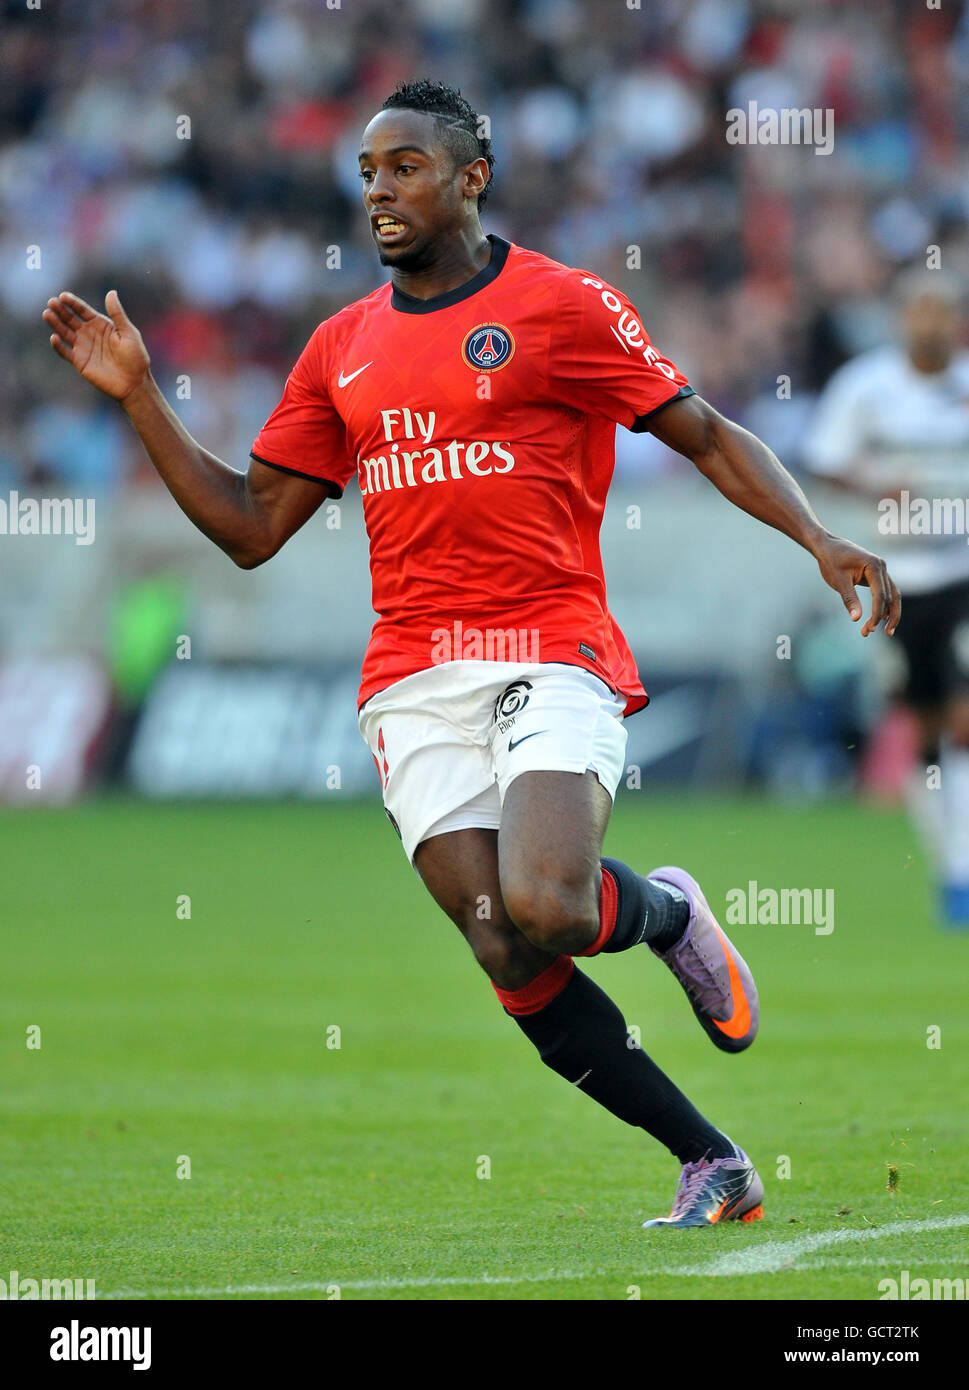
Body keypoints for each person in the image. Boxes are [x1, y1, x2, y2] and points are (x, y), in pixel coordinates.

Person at [43, 79, 900, 1228]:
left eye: (403, 168)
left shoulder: (562, 306)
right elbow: (250, 528)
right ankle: (712, 1160)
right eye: (366, 176)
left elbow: (704, 431)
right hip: (410, 675)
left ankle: (674, 919)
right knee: (504, 944)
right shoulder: (340, 348)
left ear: (470, 177)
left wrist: (818, 536)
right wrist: (143, 397)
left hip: (550, 642)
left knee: (546, 899)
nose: (380, 194)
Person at [804, 269, 969, 926]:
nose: (928, 323)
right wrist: (875, 485)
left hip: (959, 566)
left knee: (960, 719)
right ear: (901, 319)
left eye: (940, 312)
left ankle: (961, 864)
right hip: (894, 576)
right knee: (924, 727)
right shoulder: (866, 387)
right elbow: (820, 456)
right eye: (918, 311)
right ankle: (950, 869)